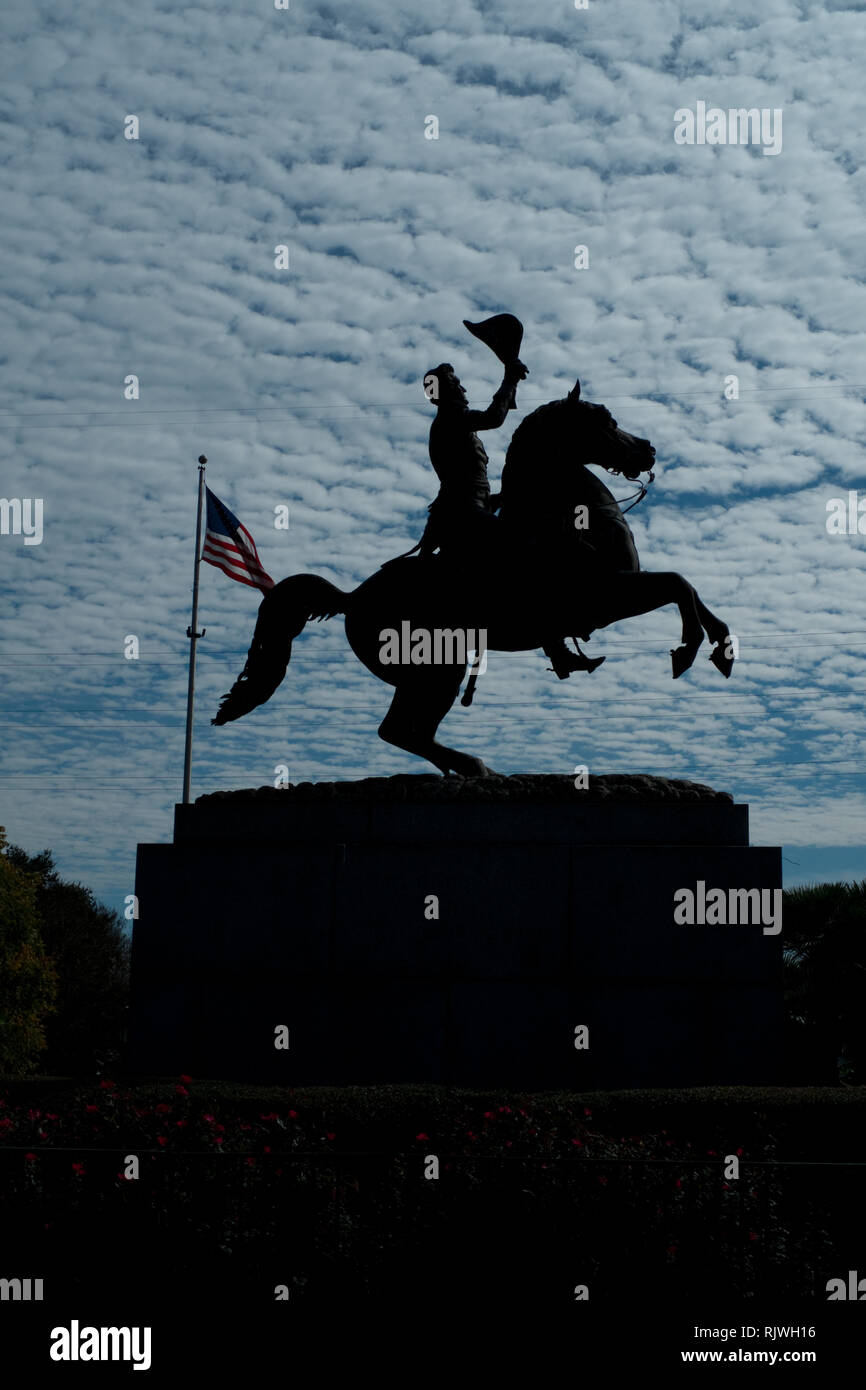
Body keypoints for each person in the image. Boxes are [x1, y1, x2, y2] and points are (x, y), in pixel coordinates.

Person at [420, 361, 601, 678]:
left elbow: (472, 485)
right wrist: (508, 380)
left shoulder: (457, 424)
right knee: (530, 547)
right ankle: (557, 650)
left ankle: (556, 640)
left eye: (460, 384)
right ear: (440, 394)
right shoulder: (451, 419)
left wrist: (510, 495)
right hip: (460, 515)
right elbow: (494, 418)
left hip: (473, 508)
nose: (462, 390)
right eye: (455, 385)